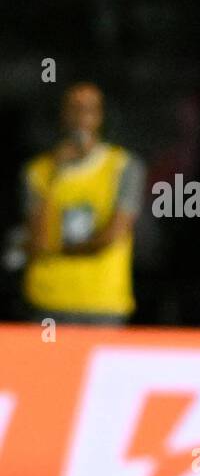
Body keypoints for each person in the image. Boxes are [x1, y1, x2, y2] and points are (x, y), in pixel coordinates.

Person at [23, 82, 145, 324]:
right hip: (49, 300)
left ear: (100, 116)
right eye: (73, 109)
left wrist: (64, 251)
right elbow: (39, 239)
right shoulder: (40, 171)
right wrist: (56, 176)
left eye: (88, 109)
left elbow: (115, 232)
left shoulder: (123, 167)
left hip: (102, 303)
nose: (80, 118)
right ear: (62, 115)